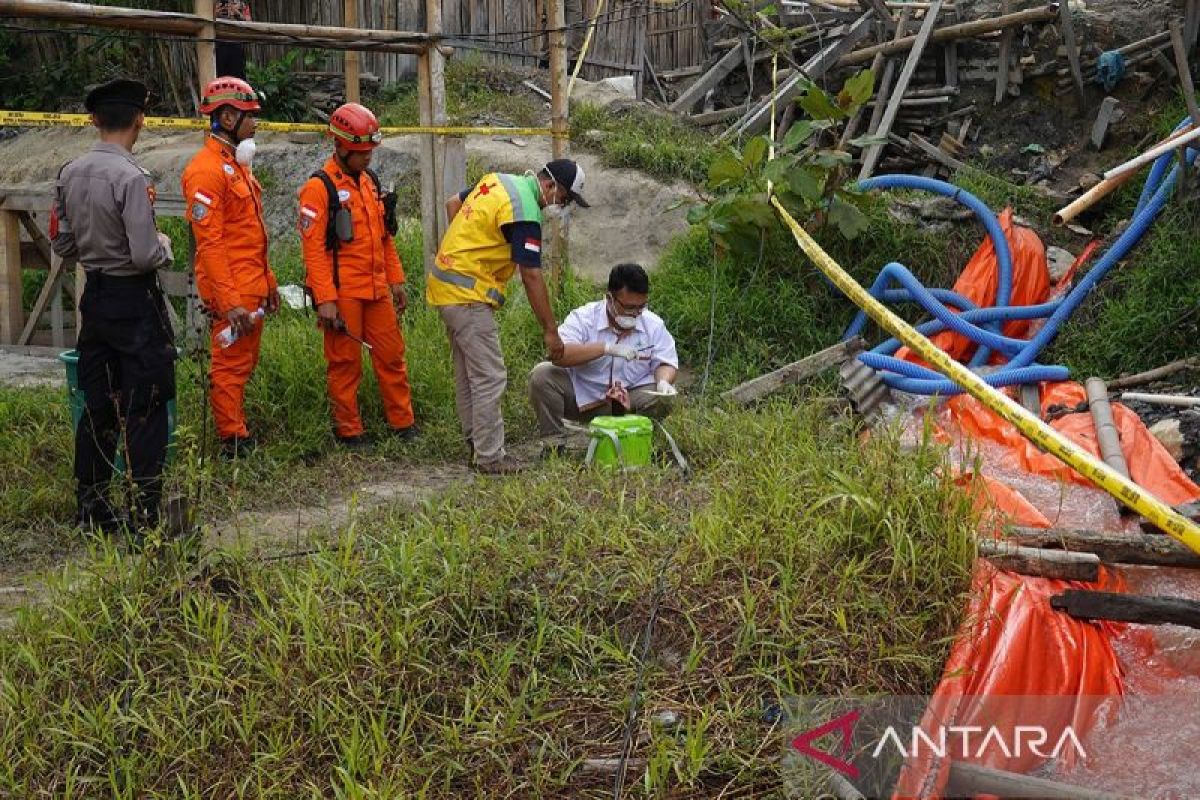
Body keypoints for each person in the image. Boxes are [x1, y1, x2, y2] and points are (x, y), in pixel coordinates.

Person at [51, 78, 176, 534]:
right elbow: (145, 254)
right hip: (135, 302)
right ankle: (146, 514)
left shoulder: (68, 172)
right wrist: (164, 245)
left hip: (96, 301)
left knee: (97, 405)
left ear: (96, 121)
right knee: (146, 406)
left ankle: (92, 509)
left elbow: (63, 243)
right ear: (139, 119)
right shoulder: (132, 178)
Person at [429, 159, 589, 474]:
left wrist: (466, 248)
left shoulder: (498, 181)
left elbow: (453, 204)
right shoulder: (526, 211)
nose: (562, 206)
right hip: (468, 296)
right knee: (490, 376)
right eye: (564, 199)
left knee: (469, 373)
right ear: (550, 186)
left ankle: (477, 444)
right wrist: (550, 331)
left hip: (445, 286)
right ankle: (490, 457)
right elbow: (531, 275)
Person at [297, 103, 416, 447]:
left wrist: (396, 281)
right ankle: (349, 430)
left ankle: (402, 422)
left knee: (392, 356)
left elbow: (385, 238)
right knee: (344, 363)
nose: (368, 158)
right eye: (362, 152)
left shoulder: (370, 183)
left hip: (377, 289)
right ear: (341, 146)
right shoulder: (318, 188)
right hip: (343, 293)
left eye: (370, 151)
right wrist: (326, 300)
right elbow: (314, 250)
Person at [182, 76, 279, 459]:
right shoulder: (205, 171)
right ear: (225, 116)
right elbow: (211, 244)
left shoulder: (236, 166)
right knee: (229, 367)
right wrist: (230, 301)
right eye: (248, 116)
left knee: (244, 363)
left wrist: (268, 283)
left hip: (251, 286)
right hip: (233, 294)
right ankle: (232, 440)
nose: (255, 124)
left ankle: (236, 429)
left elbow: (251, 235)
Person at [529, 263, 679, 454]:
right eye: (629, 307)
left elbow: (666, 361)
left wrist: (664, 381)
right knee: (542, 375)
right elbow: (559, 355)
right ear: (609, 298)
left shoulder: (653, 324)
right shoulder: (584, 318)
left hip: (629, 399)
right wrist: (605, 349)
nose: (635, 314)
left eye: (641, 307)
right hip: (582, 398)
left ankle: (638, 438)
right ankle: (553, 445)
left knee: (663, 397)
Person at [214, 0, 251, 80]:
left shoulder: (243, 4)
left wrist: (236, 13)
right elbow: (206, 21)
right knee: (221, 76)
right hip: (219, 45)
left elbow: (250, 24)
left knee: (238, 76)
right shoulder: (214, 3)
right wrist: (216, 13)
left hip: (236, 45)